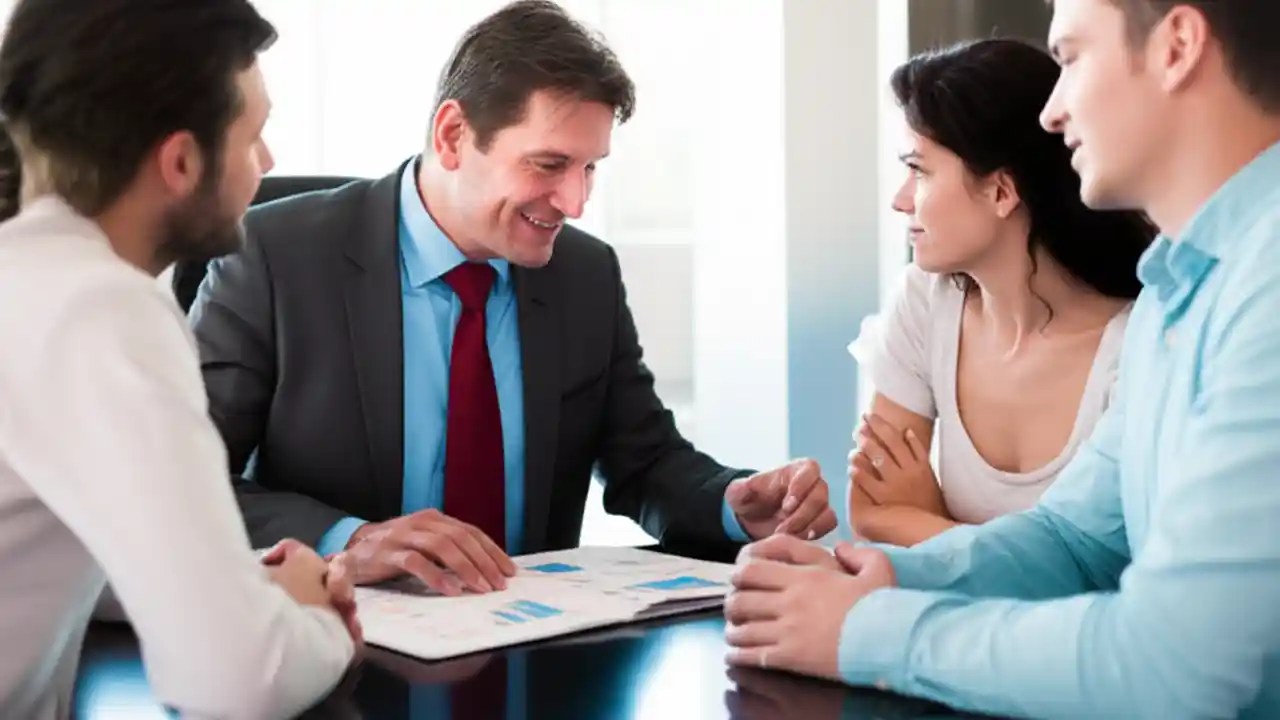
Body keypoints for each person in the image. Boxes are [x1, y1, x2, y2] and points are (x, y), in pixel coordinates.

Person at [724, 0, 1280, 717]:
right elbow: (1075, 540)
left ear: (1176, 46)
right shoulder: (1181, 289)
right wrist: (879, 575)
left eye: (1073, 57)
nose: (1052, 112)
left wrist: (865, 628)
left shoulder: (1265, 289)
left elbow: (1175, 665)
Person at [187, 0, 836, 596]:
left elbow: (647, 462)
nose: (576, 202)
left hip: (533, 654)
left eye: (591, 168)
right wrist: (348, 540)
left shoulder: (585, 274)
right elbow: (186, 481)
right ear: (451, 136)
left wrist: (733, 502)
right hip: (345, 643)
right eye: (550, 165)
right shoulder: (273, 258)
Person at [0, 1, 360, 717]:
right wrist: (319, 621)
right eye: (254, 135)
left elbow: (43, 559)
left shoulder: (28, 281)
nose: (269, 163)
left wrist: (227, 584)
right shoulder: (102, 308)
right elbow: (236, 683)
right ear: (182, 160)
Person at [847, 39, 1155, 547]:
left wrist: (933, 518)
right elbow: (873, 511)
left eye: (919, 170)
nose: (901, 201)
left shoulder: (1138, 345)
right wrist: (955, 536)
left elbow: (1104, 571)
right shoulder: (925, 301)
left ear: (1000, 192)